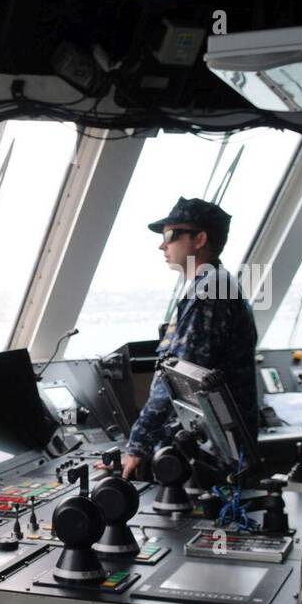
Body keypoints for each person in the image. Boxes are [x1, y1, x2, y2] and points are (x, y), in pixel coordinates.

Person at [120, 197, 259, 480]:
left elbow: (178, 375)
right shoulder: (214, 285)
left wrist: (137, 445)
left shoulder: (209, 293)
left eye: (170, 235)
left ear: (200, 240)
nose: (162, 244)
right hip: (214, 448)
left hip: (211, 459)